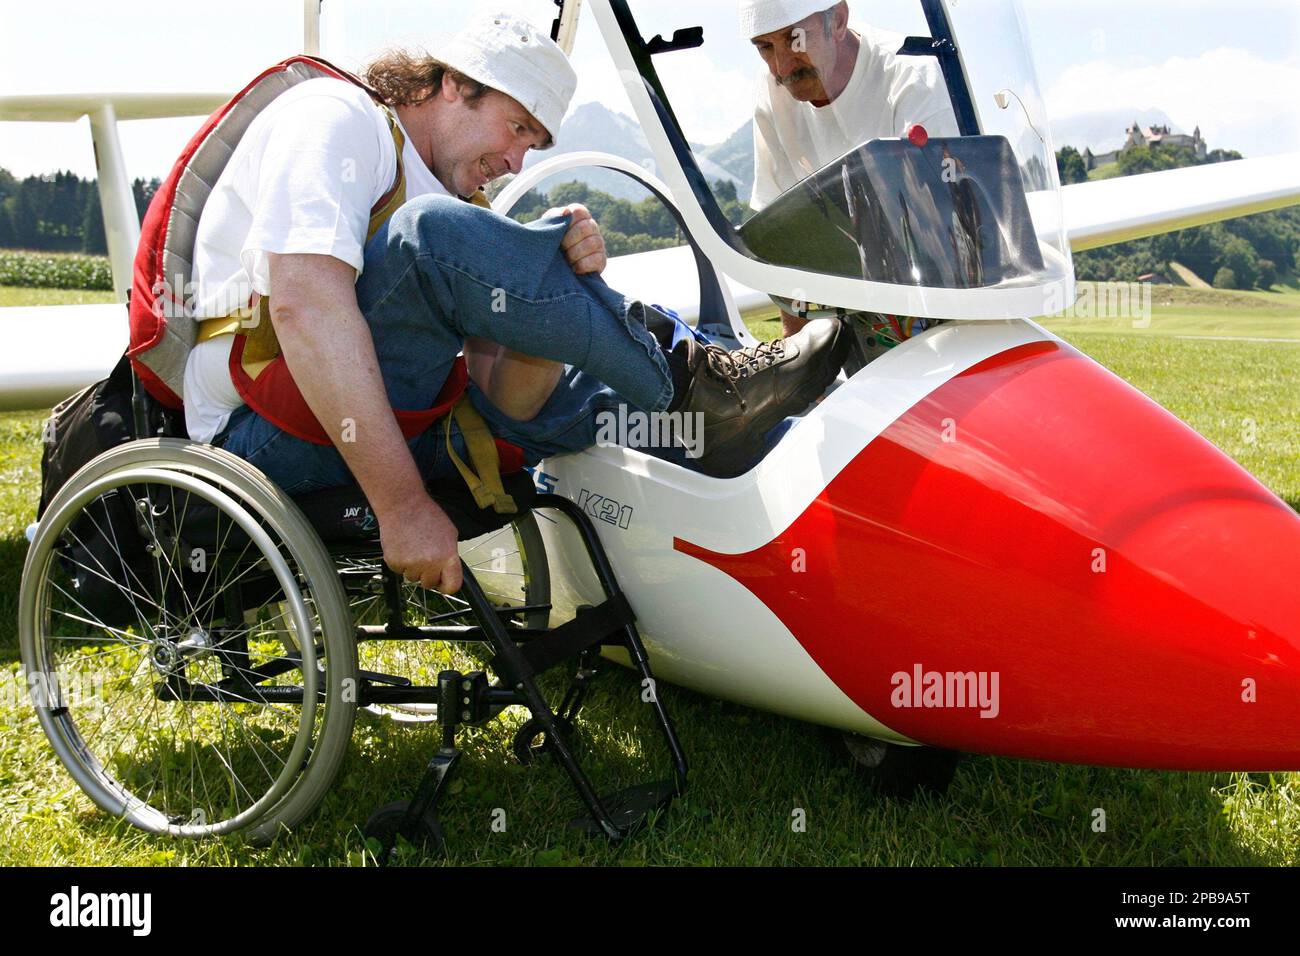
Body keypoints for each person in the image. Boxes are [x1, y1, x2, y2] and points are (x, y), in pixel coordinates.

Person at [184, 12, 849, 595]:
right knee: (430, 237)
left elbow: (511, 402)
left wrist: (543, 307)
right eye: (515, 127)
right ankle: (697, 385)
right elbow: (305, 309)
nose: (515, 160)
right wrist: (403, 507)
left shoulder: (459, 201)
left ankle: (817, 483)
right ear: (452, 83)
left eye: (533, 143)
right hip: (261, 434)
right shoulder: (339, 118)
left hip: (400, 419)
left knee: (586, 367)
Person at [740, 0, 960, 336]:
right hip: (854, 311)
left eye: (795, 39)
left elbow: (953, 239)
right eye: (765, 47)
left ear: (838, 20)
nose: (782, 67)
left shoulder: (912, 78)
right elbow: (782, 241)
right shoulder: (772, 91)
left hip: (945, 303)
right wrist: (804, 368)